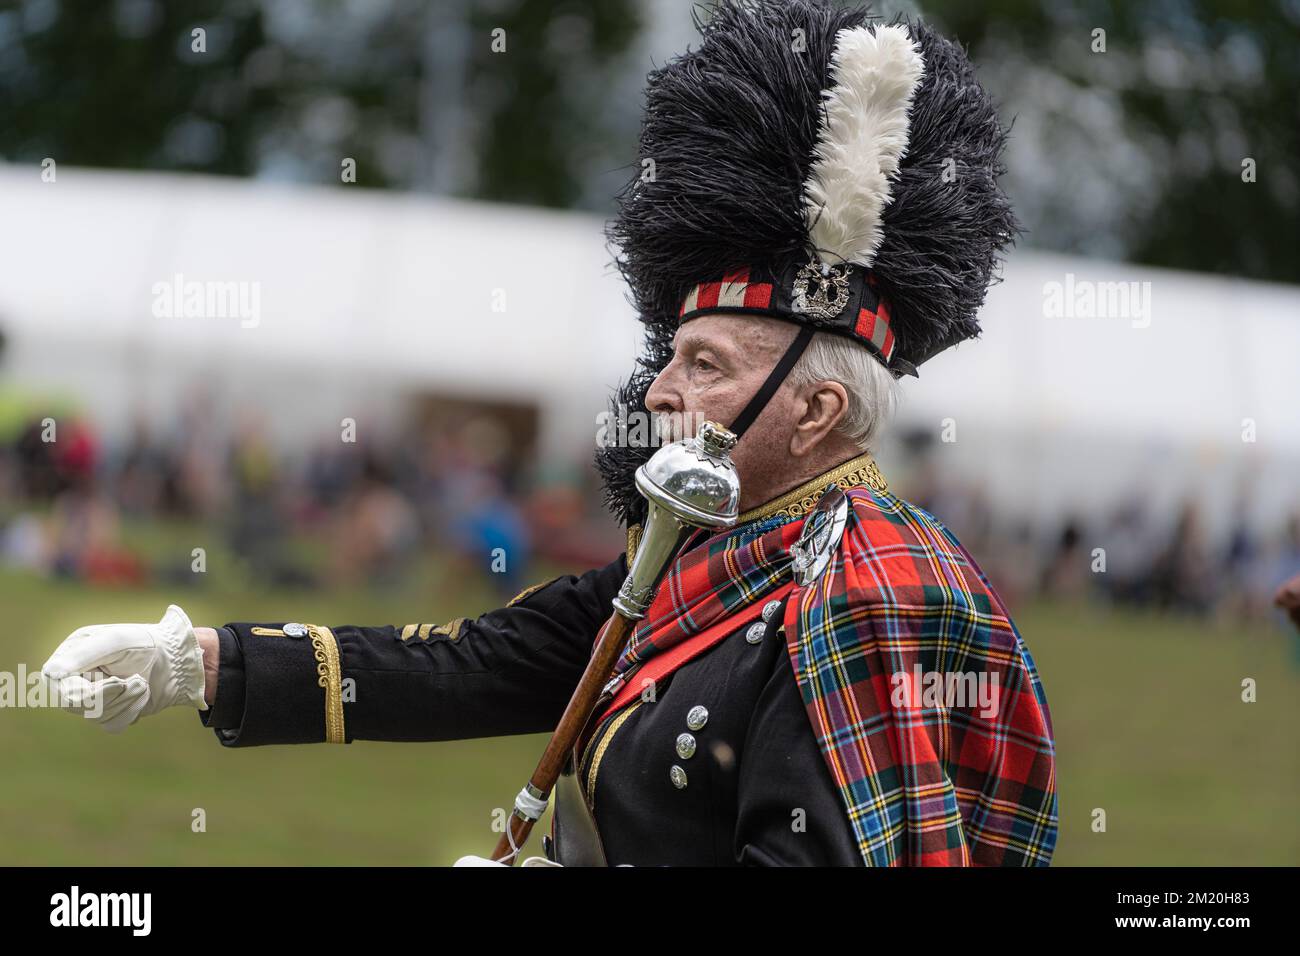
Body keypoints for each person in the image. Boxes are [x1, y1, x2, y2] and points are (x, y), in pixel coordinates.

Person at [42, 0, 1057, 867]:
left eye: (705, 364)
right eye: (672, 352)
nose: (659, 388)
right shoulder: (720, 548)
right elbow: (476, 660)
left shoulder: (868, 591)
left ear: (816, 411)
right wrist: (199, 664)